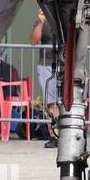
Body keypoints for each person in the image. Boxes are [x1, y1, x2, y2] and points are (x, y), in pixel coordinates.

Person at [30, 9, 61, 148]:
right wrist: (40, 22)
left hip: (64, 63)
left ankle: (67, 134)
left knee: (66, 101)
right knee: (50, 102)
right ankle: (54, 135)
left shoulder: (65, 16)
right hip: (46, 64)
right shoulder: (43, 19)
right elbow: (34, 41)